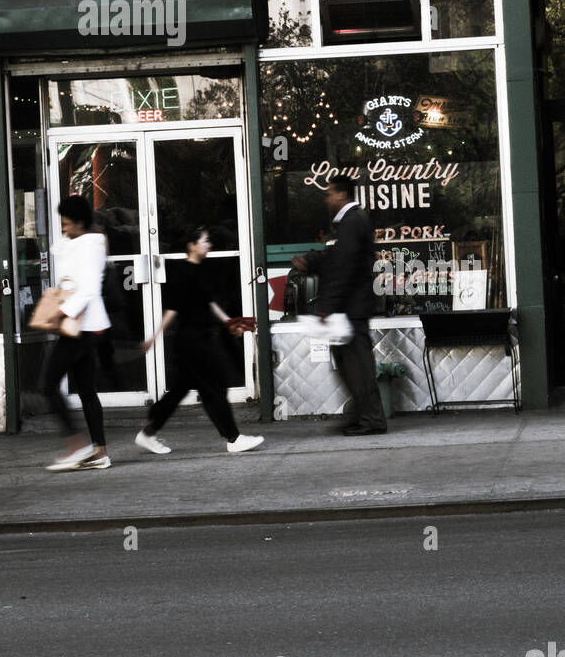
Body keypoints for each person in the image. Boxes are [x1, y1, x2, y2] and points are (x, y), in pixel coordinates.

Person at [134, 226, 263, 456]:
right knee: (214, 388)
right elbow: (172, 310)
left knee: (181, 390)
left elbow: (210, 302)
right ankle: (233, 438)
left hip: (200, 339)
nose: (209, 245)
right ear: (192, 245)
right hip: (192, 342)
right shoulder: (182, 272)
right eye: (204, 241)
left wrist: (228, 322)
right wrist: (154, 337)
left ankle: (148, 432)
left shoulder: (202, 270)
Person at [292, 175, 387, 436]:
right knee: (348, 364)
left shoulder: (353, 222)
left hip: (352, 307)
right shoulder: (351, 222)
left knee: (358, 367)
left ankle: (372, 420)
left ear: (342, 195)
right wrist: (312, 262)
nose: (327, 198)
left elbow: (345, 268)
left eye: (329, 193)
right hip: (351, 307)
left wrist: (327, 306)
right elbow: (338, 260)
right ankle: (361, 416)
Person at [42, 195, 111, 472]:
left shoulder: (91, 247)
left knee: (47, 385)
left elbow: (90, 289)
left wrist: (60, 313)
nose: (64, 229)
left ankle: (76, 445)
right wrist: (73, 236)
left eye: (67, 224)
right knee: (86, 390)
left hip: (81, 327)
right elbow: (57, 249)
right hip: (84, 326)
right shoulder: (80, 243)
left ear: (81, 223)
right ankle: (99, 452)